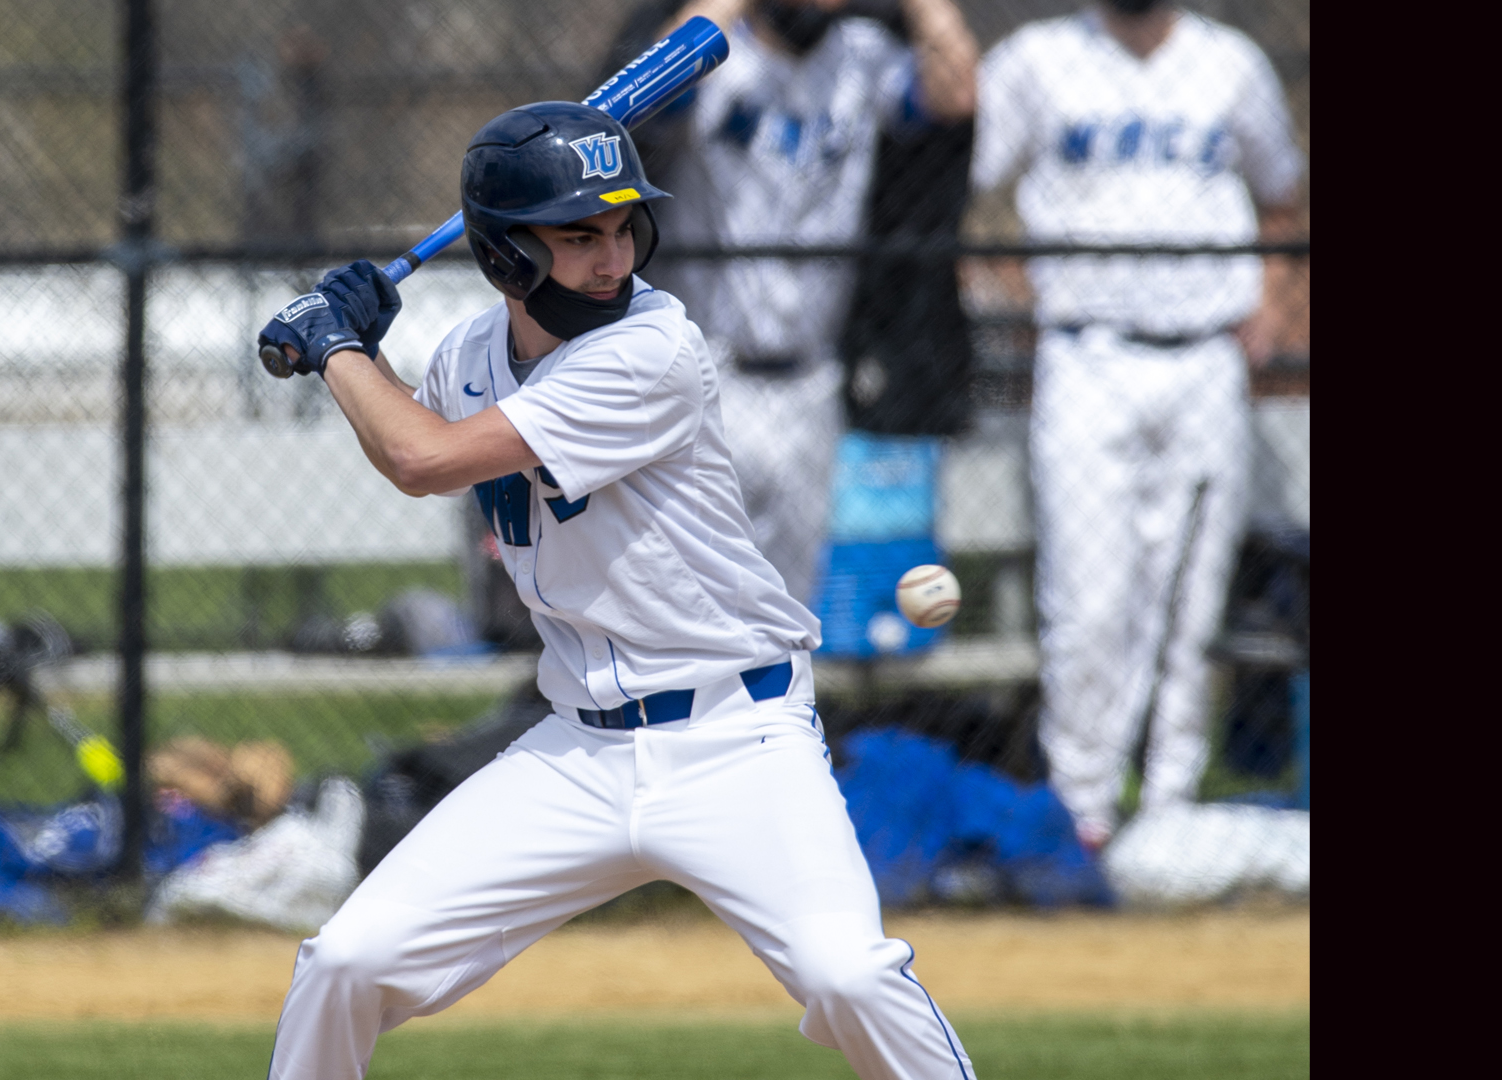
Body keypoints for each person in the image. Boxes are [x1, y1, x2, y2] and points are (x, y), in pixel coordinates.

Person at [255, 101, 976, 1079]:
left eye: (621, 228)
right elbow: (411, 438)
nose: (612, 259)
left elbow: (423, 459)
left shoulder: (652, 349)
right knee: (347, 961)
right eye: (577, 237)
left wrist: (334, 345)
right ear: (506, 256)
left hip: (736, 739)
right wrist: (362, 349)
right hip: (579, 751)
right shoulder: (469, 355)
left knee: (849, 977)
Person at [970, 0, 1304, 849]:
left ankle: (1170, 806)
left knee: (1190, 602)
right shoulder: (1039, 59)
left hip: (1206, 357)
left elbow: (1280, 195)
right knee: (1088, 601)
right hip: (1088, 356)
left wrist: (1270, 301)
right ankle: (1082, 812)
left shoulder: (1228, 61)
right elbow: (963, 177)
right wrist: (1014, 282)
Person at [621, 0, 979, 603]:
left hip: (812, 378)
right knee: (686, 597)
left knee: (785, 608)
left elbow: (957, 92)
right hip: (704, 368)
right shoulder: (715, 54)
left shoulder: (863, 56)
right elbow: (644, 95)